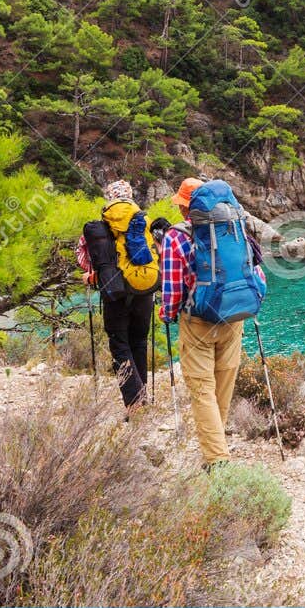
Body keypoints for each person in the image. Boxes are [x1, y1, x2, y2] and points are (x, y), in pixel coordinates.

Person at [159, 177, 267, 471]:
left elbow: (172, 292)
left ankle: (217, 460)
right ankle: (216, 445)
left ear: (185, 207)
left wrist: (167, 315)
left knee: (202, 388)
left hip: (198, 323)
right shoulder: (235, 227)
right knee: (223, 383)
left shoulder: (175, 238)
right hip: (234, 318)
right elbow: (257, 274)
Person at [80, 180, 158, 415]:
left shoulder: (100, 227)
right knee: (139, 342)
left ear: (109, 197)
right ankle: (142, 396)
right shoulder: (144, 222)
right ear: (131, 197)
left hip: (115, 295)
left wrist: (92, 277)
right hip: (143, 291)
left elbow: (84, 261)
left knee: (120, 345)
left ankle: (134, 404)